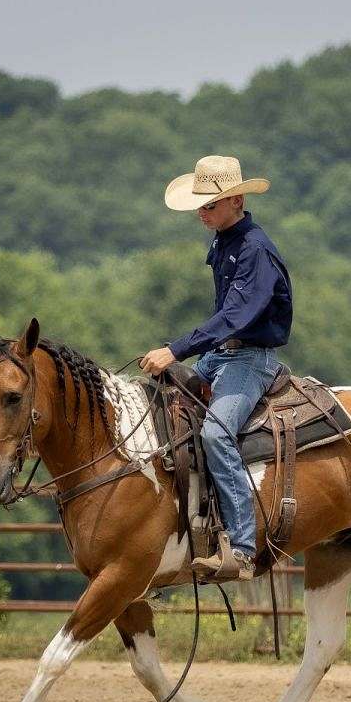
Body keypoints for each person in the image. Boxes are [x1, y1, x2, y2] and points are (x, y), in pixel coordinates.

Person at [140, 155, 293, 581]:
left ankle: (242, 548)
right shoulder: (224, 240)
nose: (201, 213)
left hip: (250, 359)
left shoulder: (256, 250)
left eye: (208, 206)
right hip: (223, 354)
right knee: (160, 404)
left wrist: (176, 349)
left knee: (215, 433)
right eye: (200, 206)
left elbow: (238, 316)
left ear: (236, 200)